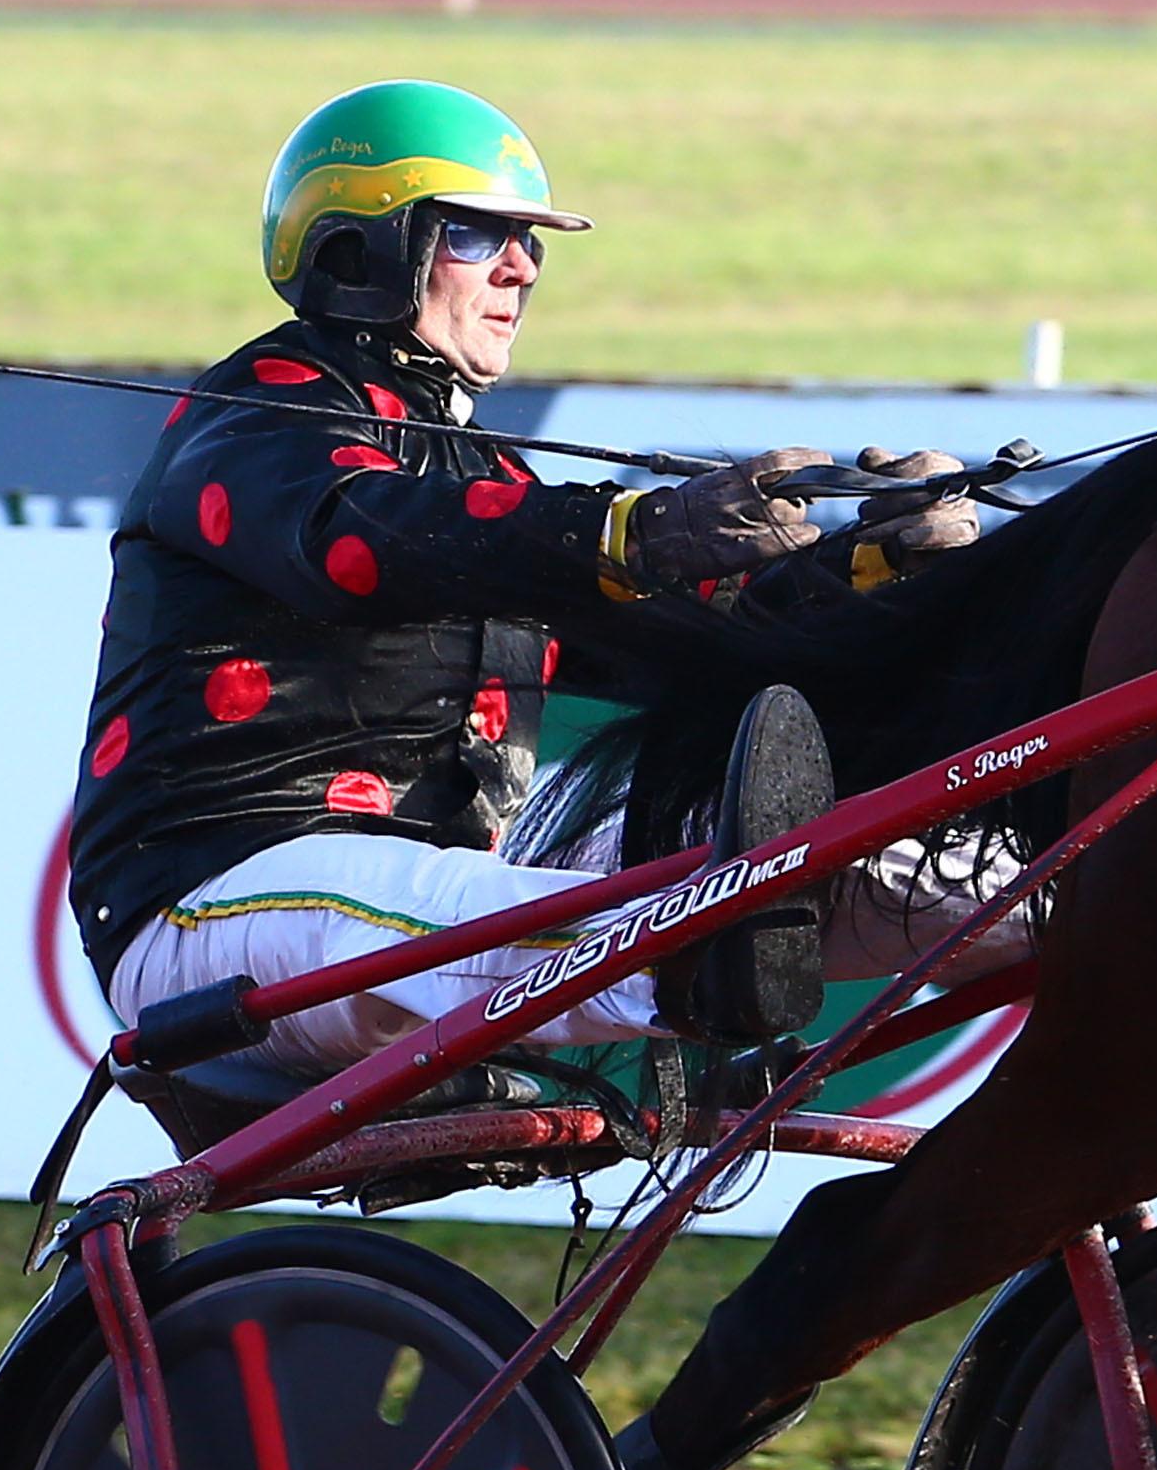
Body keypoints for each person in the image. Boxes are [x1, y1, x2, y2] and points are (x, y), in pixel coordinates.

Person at [64, 77, 1017, 1083]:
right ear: (362, 251)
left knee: (913, 872)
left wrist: (869, 575)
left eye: (531, 243)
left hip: (425, 900)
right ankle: (705, 968)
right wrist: (634, 530)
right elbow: (362, 543)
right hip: (207, 911)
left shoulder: (486, 480)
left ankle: (1080, 928)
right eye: (479, 234)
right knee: (617, 912)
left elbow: (672, 643)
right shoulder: (257, 413)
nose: (522, 268)